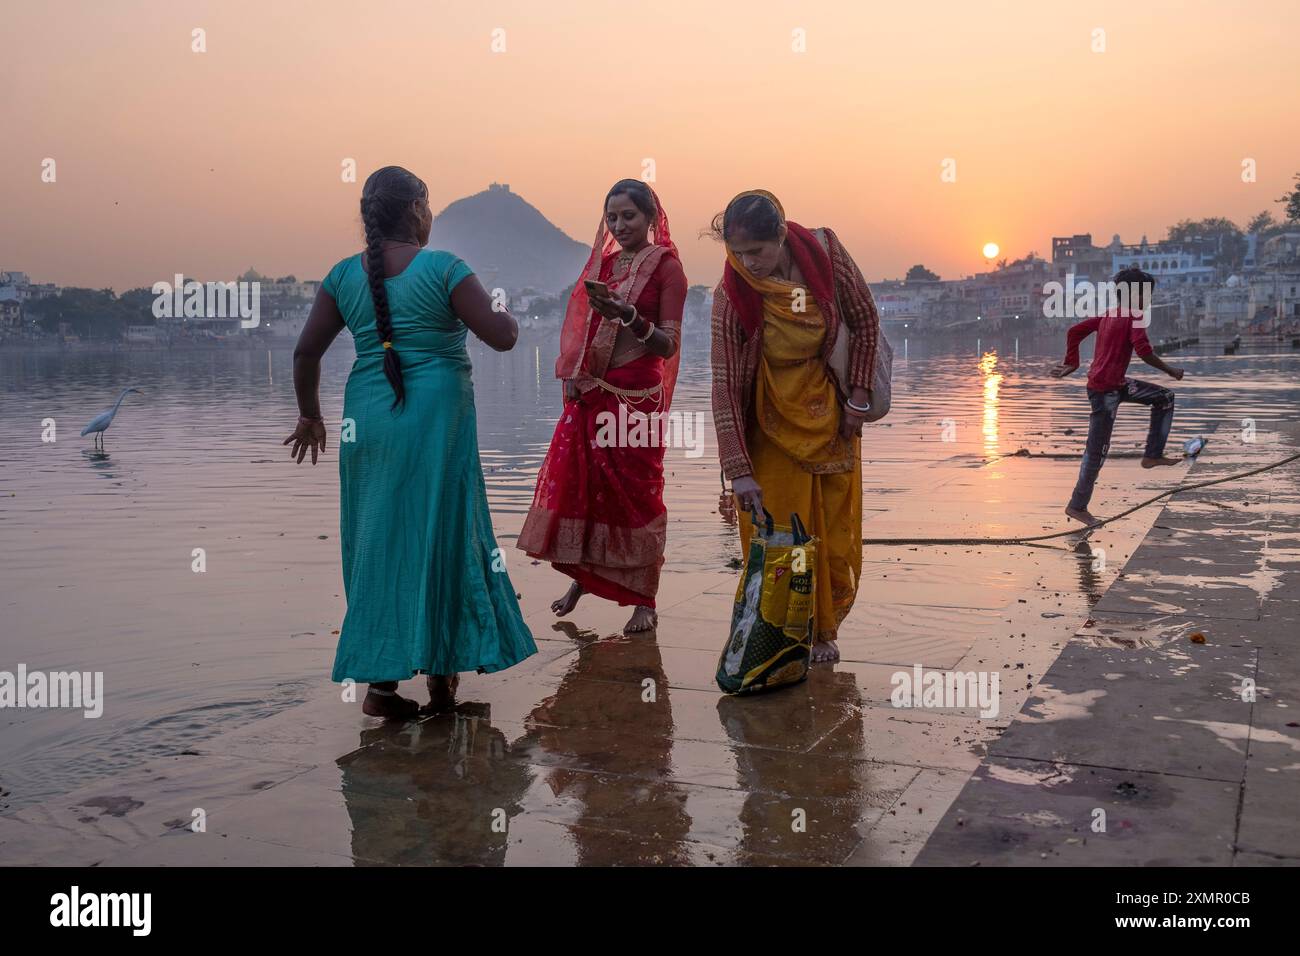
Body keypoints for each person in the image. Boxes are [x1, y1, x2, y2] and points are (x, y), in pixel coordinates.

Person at [284, 165, 537, 718]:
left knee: (376, 542)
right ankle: (443, 685)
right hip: (434, 422)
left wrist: (311, 417)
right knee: (442, 534)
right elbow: (504, 335)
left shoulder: (341, 276)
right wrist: (503, 306)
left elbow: (305, 354)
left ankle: (379, 686)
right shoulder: (443, 267)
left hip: (367, 421)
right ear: (419, 210)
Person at [709, 189, 883, 664]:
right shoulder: (731, 293)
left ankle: (824, 630)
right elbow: (724, 385)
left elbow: (866, 321)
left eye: (757, 252)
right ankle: (784, 631)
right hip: (766, 421)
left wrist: (859, 397)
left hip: (829, 412)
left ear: (782, 237)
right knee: (777, 533)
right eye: (736, 253)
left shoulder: (824, 255)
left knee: (833, 530)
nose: (748, 263)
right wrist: (738, 470)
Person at [518, 180, 686, 634]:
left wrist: (628, 316)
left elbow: (668, 345)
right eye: (612, 217)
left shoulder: (669, 270)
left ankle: (644, 599)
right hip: (593, 393)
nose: (619, 225)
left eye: (628, 216)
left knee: (638, 497)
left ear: (651, 218)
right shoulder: (606, 266)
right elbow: (586, 333)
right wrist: (575, 377)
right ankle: (584, 577)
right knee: (586, 490)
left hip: (636, 403)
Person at [1051, 267, 1185, 526]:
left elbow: (1074, 332)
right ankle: (1077, 506)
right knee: (1096, 451)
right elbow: (1144, 351)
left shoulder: (1110, 315)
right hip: (1104, 391)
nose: (1149, 299)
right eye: (1148, 294)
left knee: (1164, 397)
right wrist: (1171, 370)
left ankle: (1152, 455)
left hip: (1118, 385)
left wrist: (1072, 362)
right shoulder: (1133, 316)